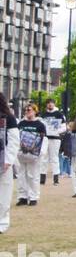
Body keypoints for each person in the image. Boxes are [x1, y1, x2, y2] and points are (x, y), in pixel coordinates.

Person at [16, 104, 45, 206]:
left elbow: (43, 140)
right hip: (21, 153)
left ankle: (33, 197)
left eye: (29, 110)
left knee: (33, 176)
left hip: (34, 154)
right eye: (26, 110)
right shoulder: (21, 123)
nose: (27, 111)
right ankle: (22, 197)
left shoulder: (40, 125)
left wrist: (39, 153)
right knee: (21, 176)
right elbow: (17, 137)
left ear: (35, 111)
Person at [0, 93, 18, 234]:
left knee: (4, 193)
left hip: (3, 160)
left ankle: (2, 222)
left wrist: (8, 160)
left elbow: (13, 141)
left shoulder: (9, 118)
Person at [39, 99, 66, 187]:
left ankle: (56, 179)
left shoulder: (59, 114)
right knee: (44, 158)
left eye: (51, 103)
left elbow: (64, 127)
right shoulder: (43, 115)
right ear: (46, 105)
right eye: (48, 103)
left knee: (54, 158)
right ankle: (42, 179)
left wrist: (56, 131)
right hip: (45, 138)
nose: (50, 105)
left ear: (54, 104)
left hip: (55, 138)